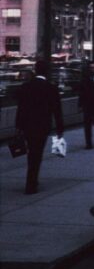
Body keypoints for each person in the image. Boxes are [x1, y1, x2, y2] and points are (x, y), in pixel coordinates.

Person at [15, 60, 64, 194]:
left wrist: (18, 126)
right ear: (47, 71)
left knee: (31, 153)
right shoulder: (51, 87)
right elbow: (57, 110)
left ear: (35, 70)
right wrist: (60, 128)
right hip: (42, 126)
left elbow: (21, 108)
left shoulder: (26, 86)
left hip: (28, 126)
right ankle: (32, 182)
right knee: (37, 153)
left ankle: (31, 181)